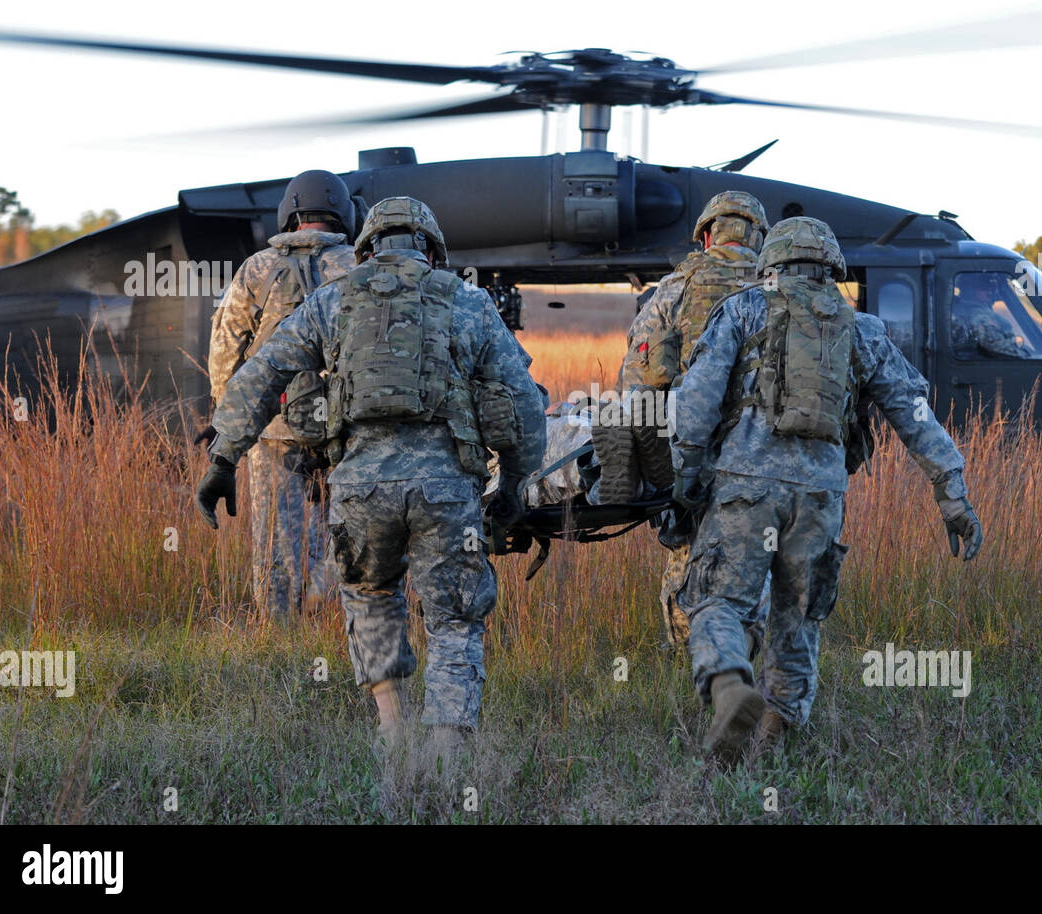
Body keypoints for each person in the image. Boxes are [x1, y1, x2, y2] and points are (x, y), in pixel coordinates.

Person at [195, 196, 547, 752]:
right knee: (453, 617)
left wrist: (223, 459)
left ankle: (393, 732)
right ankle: (447, 753)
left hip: (358, 488)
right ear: (430, 247)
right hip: (447, 488)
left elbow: (260, 374)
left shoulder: (332, 301)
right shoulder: (470, 302)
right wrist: (513, 487)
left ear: (366, 248)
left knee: (369, 592)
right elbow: (525, 404)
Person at [669, 216, 983, 763]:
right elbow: (913, 413)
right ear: (831, 267)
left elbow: (693, 405)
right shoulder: (861, 330)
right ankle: (773, 739)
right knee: (798, 617)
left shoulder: (742, 310)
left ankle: (728, 688)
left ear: (773, 262)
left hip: (746, 489)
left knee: (716, 601)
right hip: (821, 498)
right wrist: (950, 492)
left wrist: (685, 481)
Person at [610, 190, 771, 648]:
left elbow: (639, 382)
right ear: (758, 236)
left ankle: (687, 667)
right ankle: (748, 666)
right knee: (757, 562)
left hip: (691, 449)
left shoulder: (676, 287)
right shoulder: (781, 289)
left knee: (686, 557)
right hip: (767, 454)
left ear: (705, 234)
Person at [206, 169, 357, 618]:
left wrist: (229, 419)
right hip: (345, 427)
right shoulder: (359, 266)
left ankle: (278, 637)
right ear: (342, 214)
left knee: (275, 542)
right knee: (352, 532)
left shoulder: (256, 268)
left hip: (271, 428)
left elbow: (225, 349)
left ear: (289, 213)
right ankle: (329, 612)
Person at [949, 273, 1030, 359]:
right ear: (971, 289)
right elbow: (994, 345)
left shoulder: (976, 310)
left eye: (992, 287)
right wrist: (1019, 347)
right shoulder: (977, 314)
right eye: (984, 287)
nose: (990, 291)